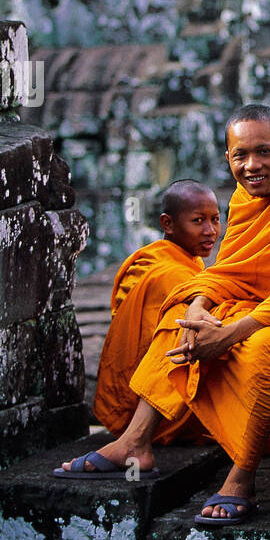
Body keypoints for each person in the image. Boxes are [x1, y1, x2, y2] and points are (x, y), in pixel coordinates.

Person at [57, 105, 270, 525]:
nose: (253, 165)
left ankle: (242, 476)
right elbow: (231, 272)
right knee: (185, 311)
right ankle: (136, 442)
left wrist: (230, 333)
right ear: (228, 158)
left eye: (265, 152)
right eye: (241, 155)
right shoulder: (245, 196)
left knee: (263, 347)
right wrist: (199, 308)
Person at [80, 181, 220, 454]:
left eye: (215, 219)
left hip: (138, 402)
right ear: (167, 224)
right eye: (198, 221)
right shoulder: (165, 272)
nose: (210, 231)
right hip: (145, 402)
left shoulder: (177, 262)